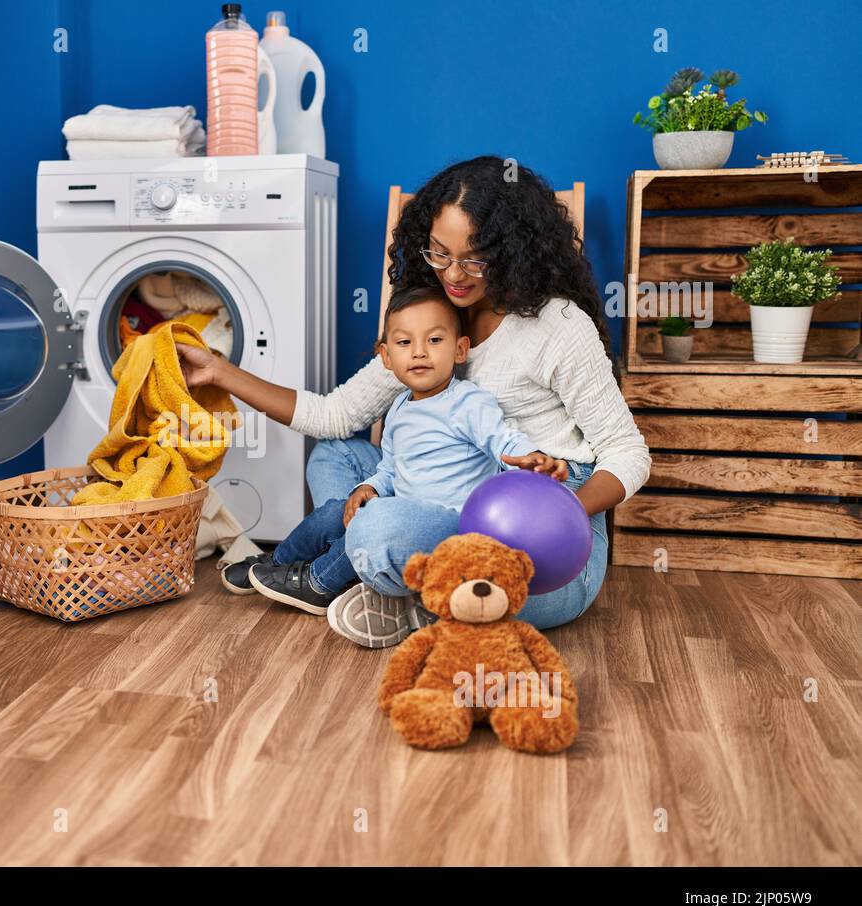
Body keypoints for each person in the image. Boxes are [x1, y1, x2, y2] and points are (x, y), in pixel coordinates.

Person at [181, 156, 650, 646]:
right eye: (439, 253)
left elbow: (628, 452)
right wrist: (219, 370)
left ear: (514, 251)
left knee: (380, 532)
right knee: (337, 457)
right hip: (435, 491)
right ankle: (385, 576)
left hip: (538, 525)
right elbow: (334, 415)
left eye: (475, 259)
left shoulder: (557, 325)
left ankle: (367, 574)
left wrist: (559, 512)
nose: (455, 274)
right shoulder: (430, 318)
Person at [241, 285, 566, 646]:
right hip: (402, 508)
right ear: (385, 356)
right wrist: (371, 487)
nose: (420, 353)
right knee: (337, 511)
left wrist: (529, 456)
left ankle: (319, 582)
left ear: (460, 349)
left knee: (371, 524)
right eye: (404, 343)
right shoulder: (399, 408)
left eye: (435, 340)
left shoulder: (467, 402)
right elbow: (391, 469)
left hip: (448, 524)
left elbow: (503, 439)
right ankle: (274, 563)